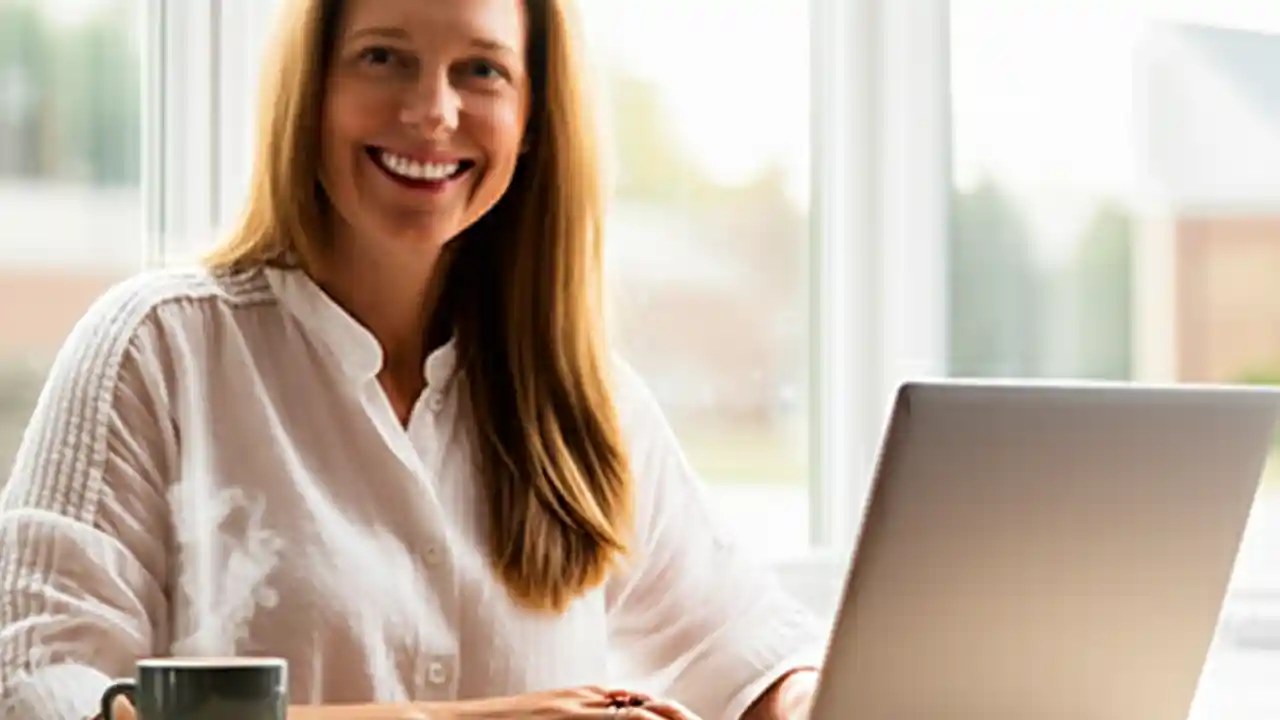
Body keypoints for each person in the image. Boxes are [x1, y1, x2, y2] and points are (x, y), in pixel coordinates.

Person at [0, 0, 825, 718]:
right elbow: (40, 692)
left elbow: (745, 654)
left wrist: (822, 692)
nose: (432, 111)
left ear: (534, 117)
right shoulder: (159, 353)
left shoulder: (585, 398)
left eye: (481, 70)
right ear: (313, 88)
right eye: (383, 58)